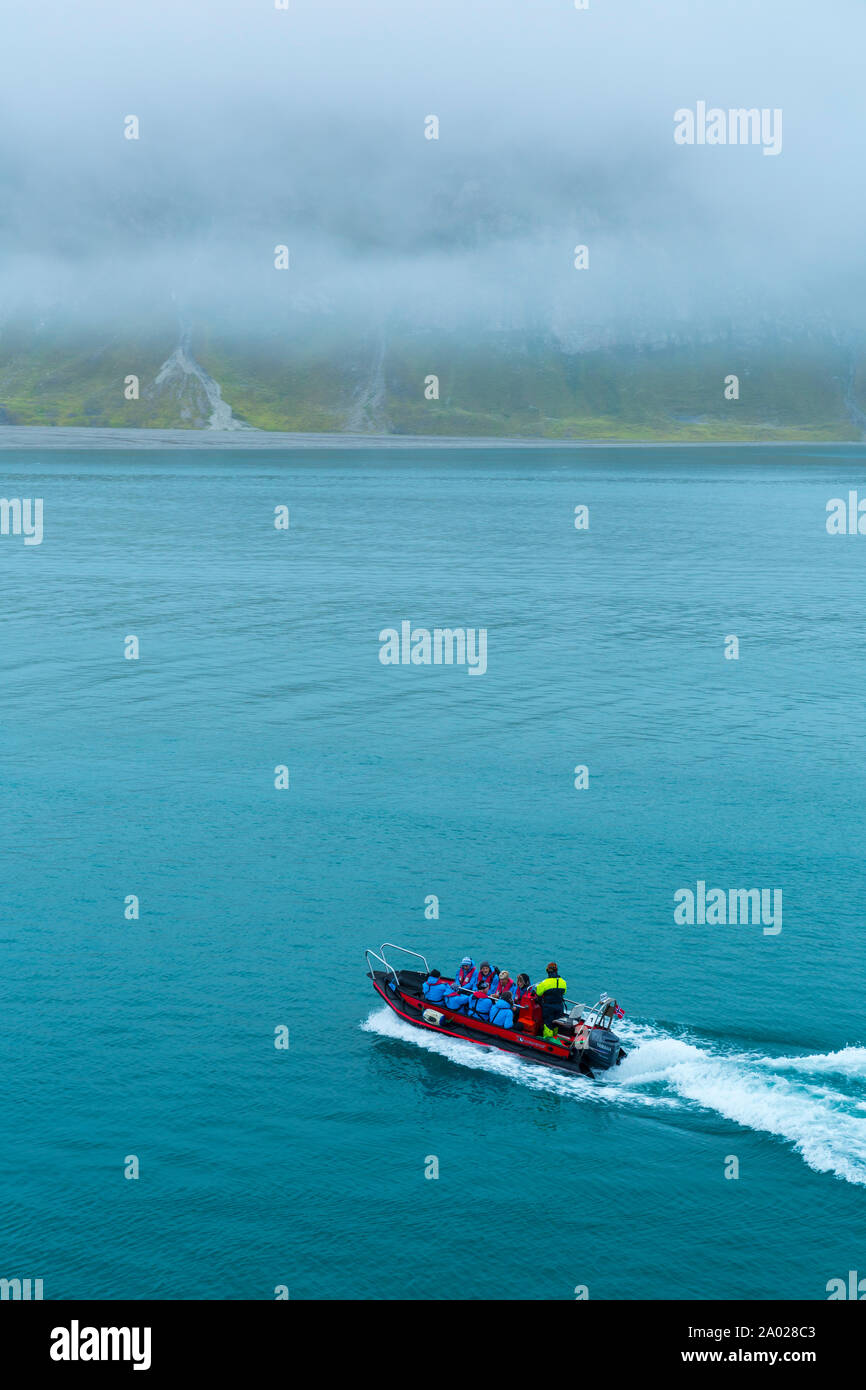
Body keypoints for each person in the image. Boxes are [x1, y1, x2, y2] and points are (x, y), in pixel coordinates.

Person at [534, 961, 568, 1039]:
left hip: (548, 1008)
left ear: (548, 971)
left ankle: (547, 1040)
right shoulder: (563, 982)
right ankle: (555, 1038)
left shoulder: (545, 983)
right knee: (556, 1024)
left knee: (548, 1024)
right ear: (556, 971)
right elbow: (564, 992)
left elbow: (538, 993)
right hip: (559, 1007)